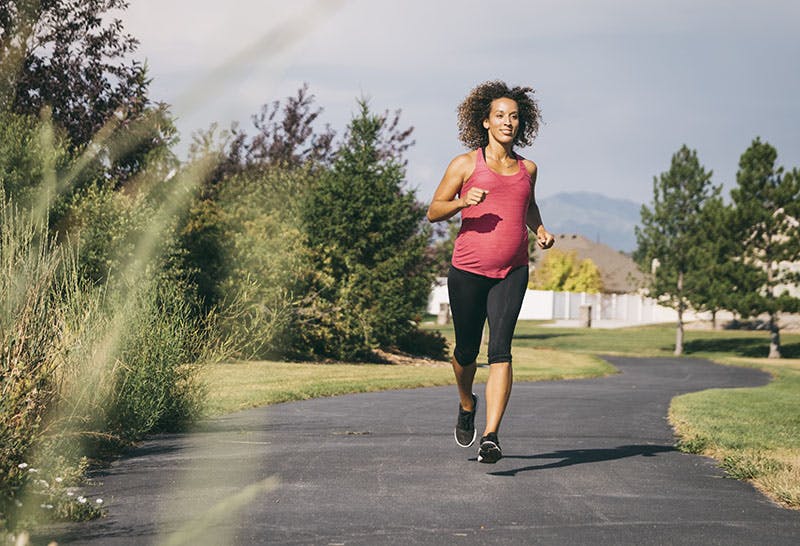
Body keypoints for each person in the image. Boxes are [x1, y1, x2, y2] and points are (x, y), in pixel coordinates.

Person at [427, 81, 555, 463]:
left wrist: (541, 230)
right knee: (466, 351)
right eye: (500, 115)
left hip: (512, 271)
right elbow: (434, 209)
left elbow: (527, 206)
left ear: (522, 123)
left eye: (514, 116)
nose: (507, 122)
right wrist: (463, 200)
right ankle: (467, 404)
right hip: (467, 271)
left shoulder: (528, 168)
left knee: (500, 350)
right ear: (485, 121)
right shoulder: (466, 164)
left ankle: (491, 436)